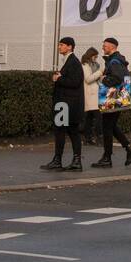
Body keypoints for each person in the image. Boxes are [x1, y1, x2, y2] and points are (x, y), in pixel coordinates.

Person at [92, 39, 131, 168]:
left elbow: (117, 78)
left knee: (107, 127)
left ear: (112, 47)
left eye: (105, 46)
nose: (103, 48)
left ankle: (108, 158)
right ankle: (129, 149)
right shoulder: (117, 60)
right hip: (117, 98)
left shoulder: (114, 62)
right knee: (110, 126)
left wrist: (104, 79)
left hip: (112, 98)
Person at [43, 37, 85, 171]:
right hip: (66, 104)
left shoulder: (74, 62)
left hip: (67, 104)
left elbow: (75, 82)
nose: (59, 47)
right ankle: (72, 161)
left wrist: (58, 78)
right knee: (68, 131)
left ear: (70, 47)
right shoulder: (69, 61)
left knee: (64, 131)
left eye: (62, 45)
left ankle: (61, 160)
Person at [80, 46, 103, 146]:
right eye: (95, 56)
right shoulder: (85, 65)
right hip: (90, 94)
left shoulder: (95, 65)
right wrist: (99, 72)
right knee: (98, 117)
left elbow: (97, 78)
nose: (96, 58)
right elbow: (88, 79)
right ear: (90, 55)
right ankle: (98, 138)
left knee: (89, 117)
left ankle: (87, 138)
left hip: (95, 94)